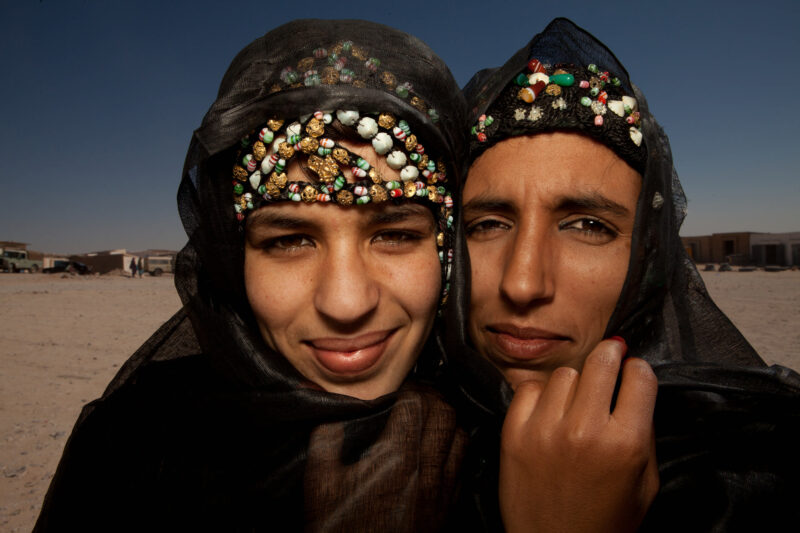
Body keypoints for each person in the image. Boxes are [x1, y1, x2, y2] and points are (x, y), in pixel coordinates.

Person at [34, 20, 467, 531]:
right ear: (232, 259)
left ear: (448, 248)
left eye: (394, 234)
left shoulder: (517, 455)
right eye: (289, 240)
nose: (347, 302)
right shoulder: (135, 444)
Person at [446, 18, 800, 532]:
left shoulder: (745, 476)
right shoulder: (384, 444)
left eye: (588, 226)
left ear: (648, 260)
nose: (522, 284)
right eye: (488, 224)